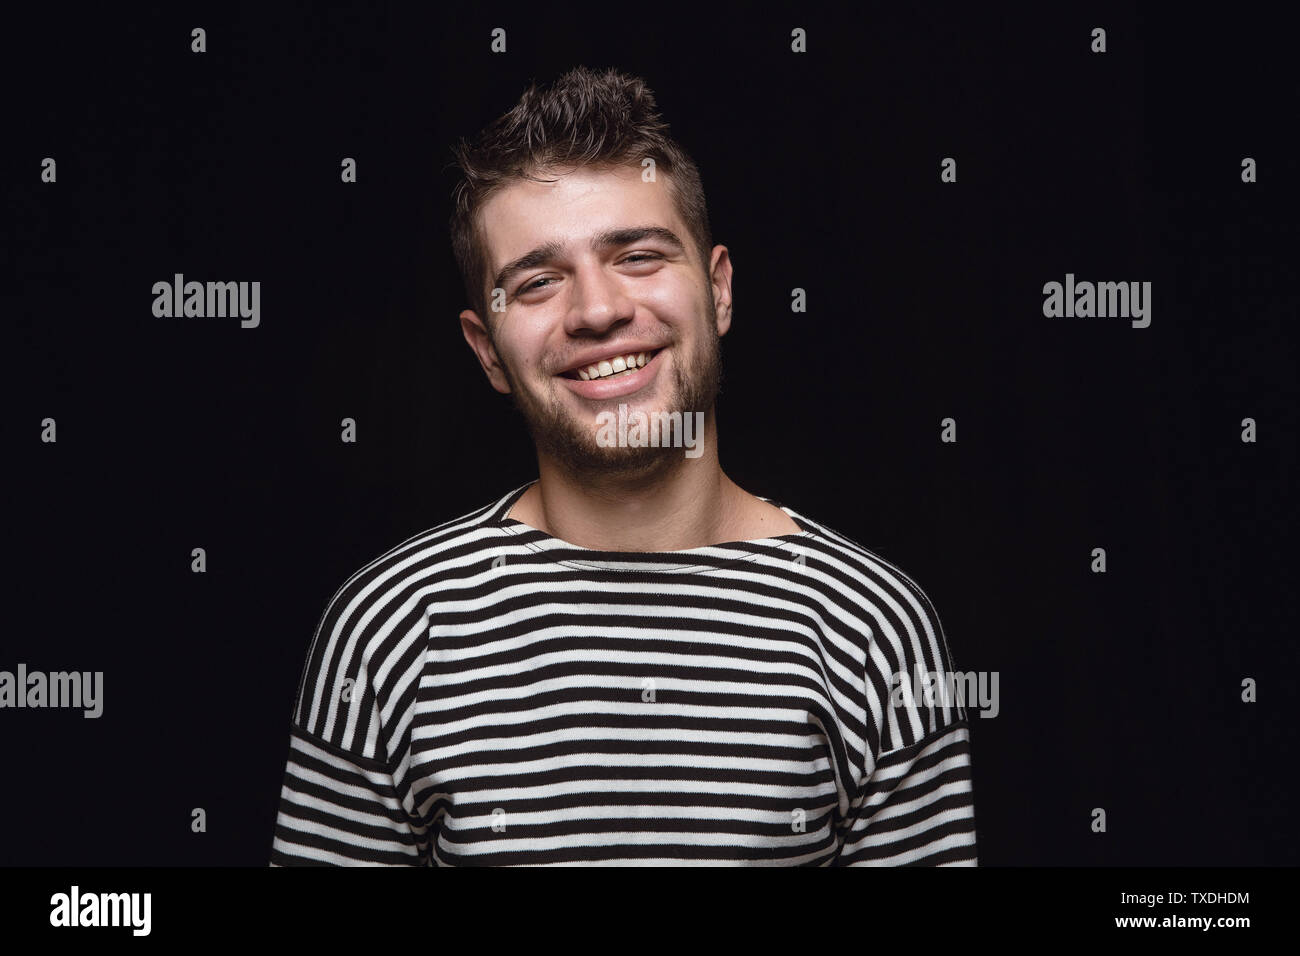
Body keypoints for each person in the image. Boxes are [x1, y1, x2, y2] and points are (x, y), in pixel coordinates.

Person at [270, 65, 978, 866]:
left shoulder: (872, 630)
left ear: (718, 292)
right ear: (487, 351)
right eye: (538, 281)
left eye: (638, 256)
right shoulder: (390, 631)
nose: (598, 310)